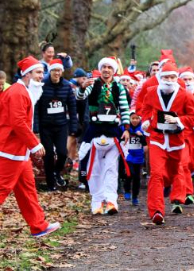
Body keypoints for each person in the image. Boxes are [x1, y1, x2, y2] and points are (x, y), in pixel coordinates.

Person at [0, 56, 61, 237]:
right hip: (10, 150)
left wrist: (30, 146)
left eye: (42, 72)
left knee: (27, 191)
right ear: (26, 74)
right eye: (38, 72)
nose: (42, 76)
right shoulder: (18, 92)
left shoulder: (23, 91)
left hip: (19, 151)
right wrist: (34, 144)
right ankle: (39, 225)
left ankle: (39, 226)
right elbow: (17, 122)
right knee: (2, 188)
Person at [139, 62, 194, 223]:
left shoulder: (185, 95)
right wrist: (145, 121)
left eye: (172, 77)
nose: (169, 80)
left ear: (176, 78)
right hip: (157, 139)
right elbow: (145, 109)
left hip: (176, 140)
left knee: (173, 173)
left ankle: (169, 188)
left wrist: (178, 120)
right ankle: (156, 211)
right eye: (166, 77)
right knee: (156, 174)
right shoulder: (152, 92)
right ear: (160, 78)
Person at [77, 57, 131, 215]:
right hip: (95, 130)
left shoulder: (119, 87)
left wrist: (126, 128)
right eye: (104, 67)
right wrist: (82, 88)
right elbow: (80, 97)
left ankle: (111, 202)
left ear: (114, 70)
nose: (106, 70)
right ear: (100, 69)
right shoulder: (92, 84)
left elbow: (125, 108)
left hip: (113, 131)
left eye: (109, 67)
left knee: (111, 169)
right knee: (94, 169)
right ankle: (97, 202)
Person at [33, 59, 78, 191]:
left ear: (62, 71)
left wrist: (73, 127)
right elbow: (36, 108)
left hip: (61, 125)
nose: (57, 73)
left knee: (62, 152)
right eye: (54, 70)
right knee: (48, 155)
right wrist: (35, 127)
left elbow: (72, 107)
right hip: (45, 126)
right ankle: (50, 184)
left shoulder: (66, 86)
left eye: (59, 70)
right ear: (50, 71)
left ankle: (56, 172)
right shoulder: (42, 85)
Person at [123, 112, 146, 206]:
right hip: (128, 155)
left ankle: (135, 197)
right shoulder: (125, 128)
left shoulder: (143, 129)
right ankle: (127, 190)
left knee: (136, 177)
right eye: (133, 118)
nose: (135, 120)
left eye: (137, 118)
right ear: (129, 119)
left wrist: (141, 136)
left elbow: (145, 143)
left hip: (139, 156)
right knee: (129, 173)